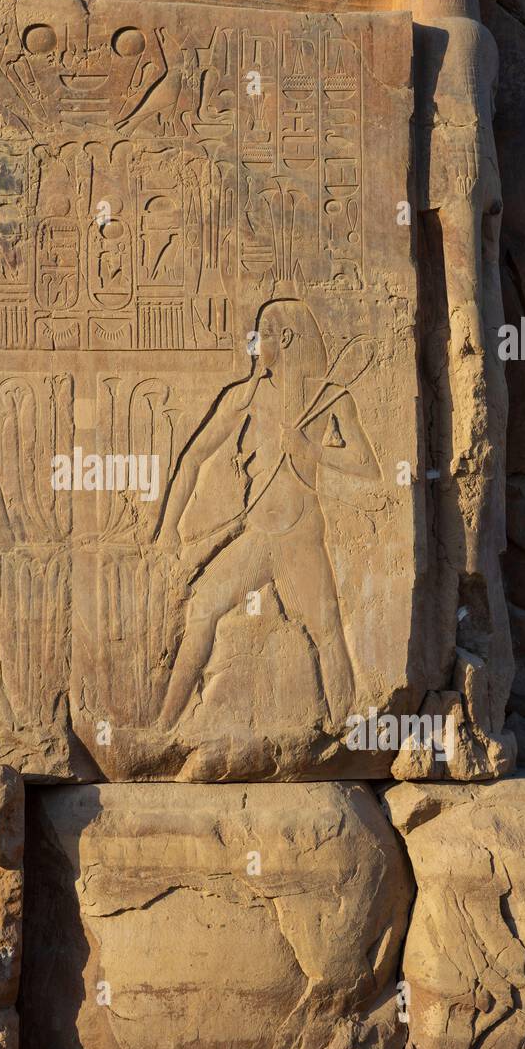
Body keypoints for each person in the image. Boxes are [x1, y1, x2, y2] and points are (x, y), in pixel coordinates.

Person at [156, 298, 379, 731]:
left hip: (299, 533)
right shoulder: (250, 394)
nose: (253, 347)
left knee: (329, 632)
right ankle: (165, 724)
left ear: (287, 338)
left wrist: (311, 450)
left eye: (261, 337)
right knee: (202, 606)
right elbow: (194, 456)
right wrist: (168, 527)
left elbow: (367, 465)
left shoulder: (330, 396)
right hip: (258, 534)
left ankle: (349, 730)